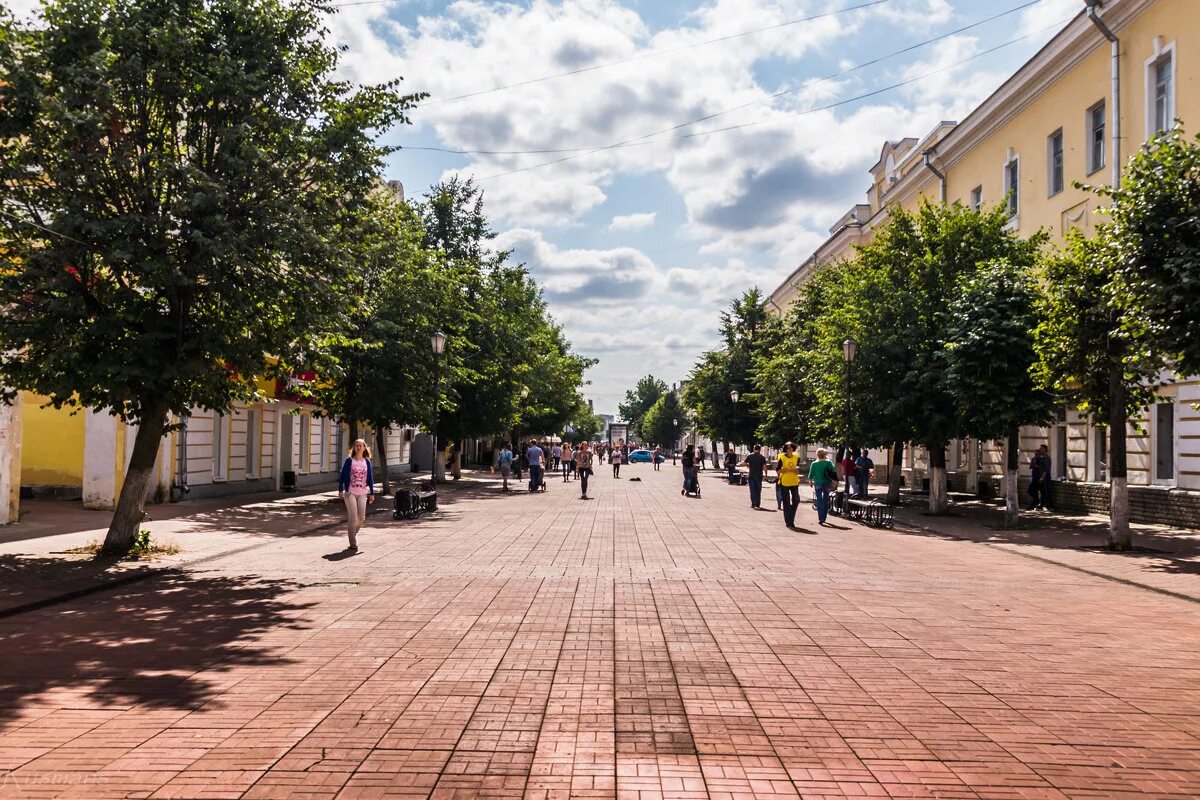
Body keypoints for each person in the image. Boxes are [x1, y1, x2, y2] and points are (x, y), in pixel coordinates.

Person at [337, 438, 375, 551]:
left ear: (364, 448)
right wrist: (340, 490)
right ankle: (352, 542)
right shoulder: (349, 461)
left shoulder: (367, 462)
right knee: (353, 516)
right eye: (356, 446)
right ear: (354, 448)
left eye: (360, 446)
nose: (358, 448)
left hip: (363, 492)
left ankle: (352, 534)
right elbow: (342, 476)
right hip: (350, 492)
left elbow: (370, 478)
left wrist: (372, 492)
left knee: (361, 517)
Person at [808, 447, 838, 526]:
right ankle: (823, 517)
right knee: (825, 499)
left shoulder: (814, 463)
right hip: (826, 483)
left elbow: (811, 474)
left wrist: (810, 481)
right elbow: (833, 472)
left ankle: (820, 517)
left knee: (819, 499)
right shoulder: (828, 462)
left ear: (817, 454)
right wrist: (834, 482)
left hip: (817, 483)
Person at [776, 442, 802, 528]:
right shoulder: (782, 458)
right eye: (787, 448)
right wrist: (784, 470)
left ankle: (791, 515)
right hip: (785, 482)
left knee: (796, 500)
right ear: (785, 449)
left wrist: (796, 469)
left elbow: (798, 470)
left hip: (794, 481)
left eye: (791, 447)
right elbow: (778, 471)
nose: (789, 449)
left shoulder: (796, 457)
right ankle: (789, 522)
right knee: (786, 502)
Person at [741, 444, 768, 509]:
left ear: (754, 449)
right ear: (760, 449)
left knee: (752, 490)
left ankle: (753, 504)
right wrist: (766, 475)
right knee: (758, 490)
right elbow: (764, 467)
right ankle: (757, 504)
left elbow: (744, 463)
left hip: (751, 475)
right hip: (759, 475)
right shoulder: (762, 457)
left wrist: (747, 465)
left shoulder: (750, 456)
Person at [1029, 444, 1053, 510]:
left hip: (1045, 477)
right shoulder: (1041, 458)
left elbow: (1046, 469)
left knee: (1046, 491)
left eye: (1041, 448)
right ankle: (1042, 505)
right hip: (1041, 477)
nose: (1040, 449)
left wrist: (1042, 477)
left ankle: (1049, 506)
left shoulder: (1046, 458)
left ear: (1045, 449)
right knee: (1042, 491)